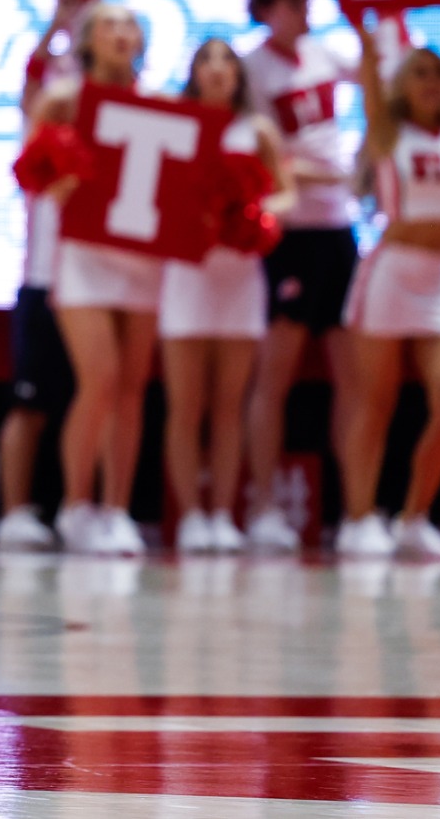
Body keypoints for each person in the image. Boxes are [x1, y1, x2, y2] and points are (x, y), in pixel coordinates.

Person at [336, 9, 440, 561]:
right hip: (391, 272)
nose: (432, 83)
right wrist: (359, 18)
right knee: (376, 402)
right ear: (401, 84)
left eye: (438, 75)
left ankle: (414, 518)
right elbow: (371, 78)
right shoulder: (388, 132)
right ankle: (358, 517)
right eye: (419, 74)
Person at [21, 2, 158, 556]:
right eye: (110, 25)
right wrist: (63, 186)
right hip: (81, 255)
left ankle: (118, 509)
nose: (122, 33)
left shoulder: (160, 104)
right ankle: (77, 505)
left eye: (131, 24)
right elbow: (32, 173)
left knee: (131, 387)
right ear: (87, 41)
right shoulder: (62, 99)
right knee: (98, 379)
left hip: (143, 255)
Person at [238, 0, 359, 553]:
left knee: (352, 375)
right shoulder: (253, 71)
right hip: (289, 231)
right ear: (266, 9)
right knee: (274, 374)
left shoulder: (326, 54)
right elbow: (263, 150)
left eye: (307, 0)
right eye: (292, 1)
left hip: (338, 228)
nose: (304, 10)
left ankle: (357, 509)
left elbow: (387, 77)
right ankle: (263, 506)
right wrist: (320, 171)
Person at [159, 40, 290, 553]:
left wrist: (255, 213)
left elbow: (284, 191)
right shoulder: (174, 121)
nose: (218, 71)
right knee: (186, 403)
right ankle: (192, 515)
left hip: (240, 271)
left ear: (239, 75)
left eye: (227, 62)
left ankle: (223, 515)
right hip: (188, 271)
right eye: (206, 61)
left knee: (229, 404)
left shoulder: (255, 130)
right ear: (192, 72)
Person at [0, 0, 82, 551]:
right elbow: (30, 87)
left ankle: (85, 507)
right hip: (43, 281)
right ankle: (15, 510)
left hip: (100, 284)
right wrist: (55, 28)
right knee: (31, 405)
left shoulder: (124, 130)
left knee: (96, 400)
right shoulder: (40, 141)